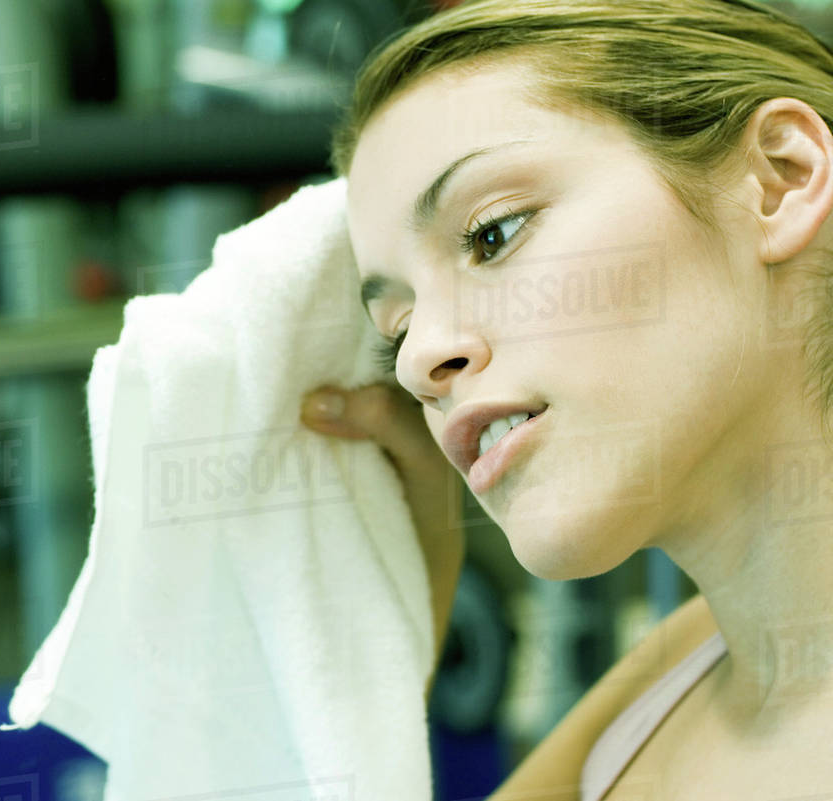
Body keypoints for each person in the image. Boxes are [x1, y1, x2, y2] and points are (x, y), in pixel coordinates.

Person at [299, 0, 833, 796]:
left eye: (493, 233)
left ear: (779, 179)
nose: (416, 362)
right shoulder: (675, 673)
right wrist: (389, 612)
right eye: (396, 325)